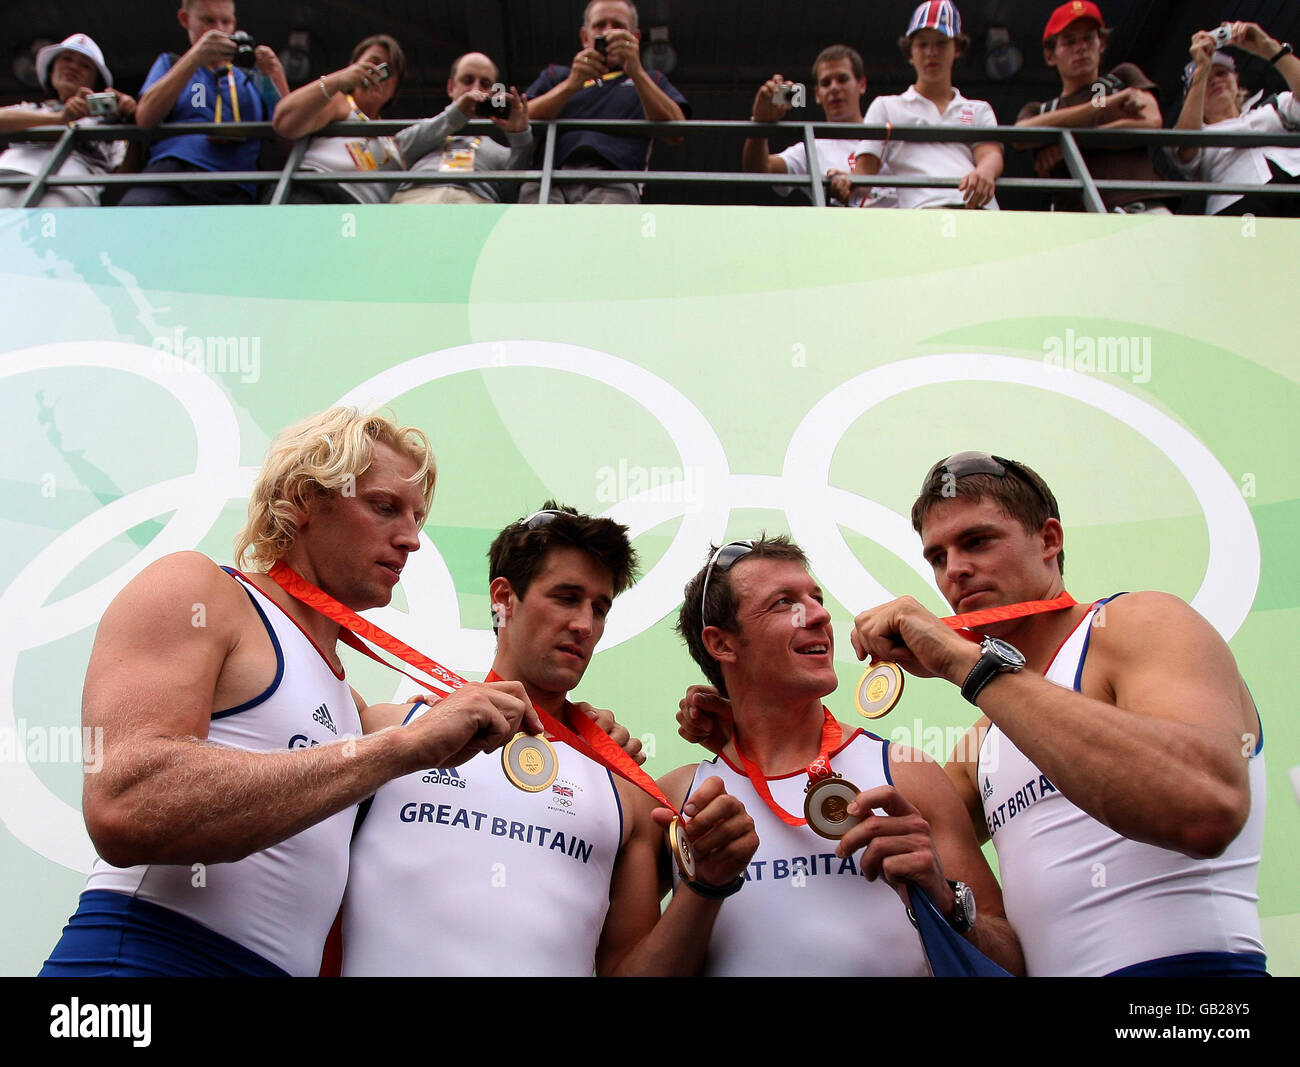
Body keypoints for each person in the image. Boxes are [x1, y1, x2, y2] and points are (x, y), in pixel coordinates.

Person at [40, 408, 541, 976]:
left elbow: (416, 741)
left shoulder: (346, 706)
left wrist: (573, 732)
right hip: (145, 960)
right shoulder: (201, 590)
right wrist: (403, 748)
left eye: (417, 517)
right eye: (384, 507)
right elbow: (126, 803)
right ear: (304, 498)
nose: (412, 540)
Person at [850, 452, 1266, 976]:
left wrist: (965, 664)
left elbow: (1206, 807)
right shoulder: (990, 734)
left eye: (976, 541)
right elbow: (850, 820)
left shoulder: (1138, 624)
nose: (955, 569)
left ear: (1049, 540)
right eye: (937, 557)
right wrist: (737, 724)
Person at [341, 505, 757, 976]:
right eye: (566, 597)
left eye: (599, 608)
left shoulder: (624, 788)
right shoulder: (387, 729)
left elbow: (627, 969)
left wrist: (706, 887)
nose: (584, 624)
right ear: (504, 599)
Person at [668, 536, 1022, 976]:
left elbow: (1012, 965)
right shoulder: (677, 800)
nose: (818, 614)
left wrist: (944, 896)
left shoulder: (906, 774)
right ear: (722, 644)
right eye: (783, 604)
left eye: (816, 598)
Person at [121, 0, 289, 206]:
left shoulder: (254, 78)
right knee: (127, 225)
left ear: (234, 24)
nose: (218, 30)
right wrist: (195, 58)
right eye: (208, 20)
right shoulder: (171, 64)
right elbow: (145, 118)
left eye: (225, 22)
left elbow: (289, 137)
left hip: (235, 188)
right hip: (171, 177)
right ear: (185, 19)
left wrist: (276, 76)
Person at [520, 0, 689, 204]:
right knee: (538, 235)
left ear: (635, 38)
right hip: (548, 177)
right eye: (600, 25)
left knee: (602, 236)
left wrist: (636, 71)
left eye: (618, 26)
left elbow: (676, 132)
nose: (608, 33)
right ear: (585, 37)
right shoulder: (557, 75)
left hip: (614, 181)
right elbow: (519, 119)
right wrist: (572, 84)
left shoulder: (651, 79)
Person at [1013, 1, 1171, 213]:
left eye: (1089, 38)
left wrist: (1067, 143)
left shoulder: (1121, 77)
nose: (1081, 47)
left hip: (1141, 208)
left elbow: (1152, 122)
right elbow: (1020, 135)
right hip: (1079, 226)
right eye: (1069, 42)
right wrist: (1107, 106)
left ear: (1102, 44)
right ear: (1050, 56)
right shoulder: (1041, 110)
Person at [851, 2, 1002, 210]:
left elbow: (991, 154)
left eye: (941, 43)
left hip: (980, 212)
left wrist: (985, 172)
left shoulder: (979, 109)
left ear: (957, 49)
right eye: (922, 44)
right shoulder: (885, 107)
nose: (931, 52)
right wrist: (845, 182)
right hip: (924, 216)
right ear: (910, 53)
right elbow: (863, 176)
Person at [1172, 21, 1300, 217]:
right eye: (1206, 79)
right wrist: (1201, 69)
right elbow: (1184, 147)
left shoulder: (1272, 105)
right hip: (1240, 206)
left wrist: (1269, 48)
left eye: (1222, 73)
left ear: (1236, 80)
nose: (1214, 80)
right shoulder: (1197, 133)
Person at [743, 44, 895, 208]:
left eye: (842, 79)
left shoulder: (889, 132)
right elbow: (759, 169)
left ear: (862, 84)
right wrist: (760, 122)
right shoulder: (810, 148)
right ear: (817, 94)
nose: (834, 88)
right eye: (826, 83)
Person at [0, 33, 136, 208]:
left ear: (95, 83)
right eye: (66, 59)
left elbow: (125, 179)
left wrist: (133, 121)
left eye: (85, 65)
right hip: (7, 177)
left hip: (70, 190)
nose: (73, 67)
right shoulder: (34, 109)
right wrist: (60, 118)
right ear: (51, 70)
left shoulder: (110, 125)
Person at [271, 35, 406, 205]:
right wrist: (338, 80)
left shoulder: (395, 140)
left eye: (389, 70)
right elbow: (283, 122)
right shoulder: (339, 102)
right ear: (353, 67)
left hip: (363, 218)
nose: (379, 73)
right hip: (315, 194)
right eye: (373, 63)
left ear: (395, 89)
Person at [390, 51, 533, 205]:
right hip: (417, 198)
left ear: (493, 93)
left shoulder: (499, 152)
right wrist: (457, 114)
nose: (475, 89)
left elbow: (512, 190)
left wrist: (519, 135)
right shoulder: (429, 129)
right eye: (467, 80)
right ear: (451, 87)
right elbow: (400, 147)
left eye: (485, 84)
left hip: (474, 205)